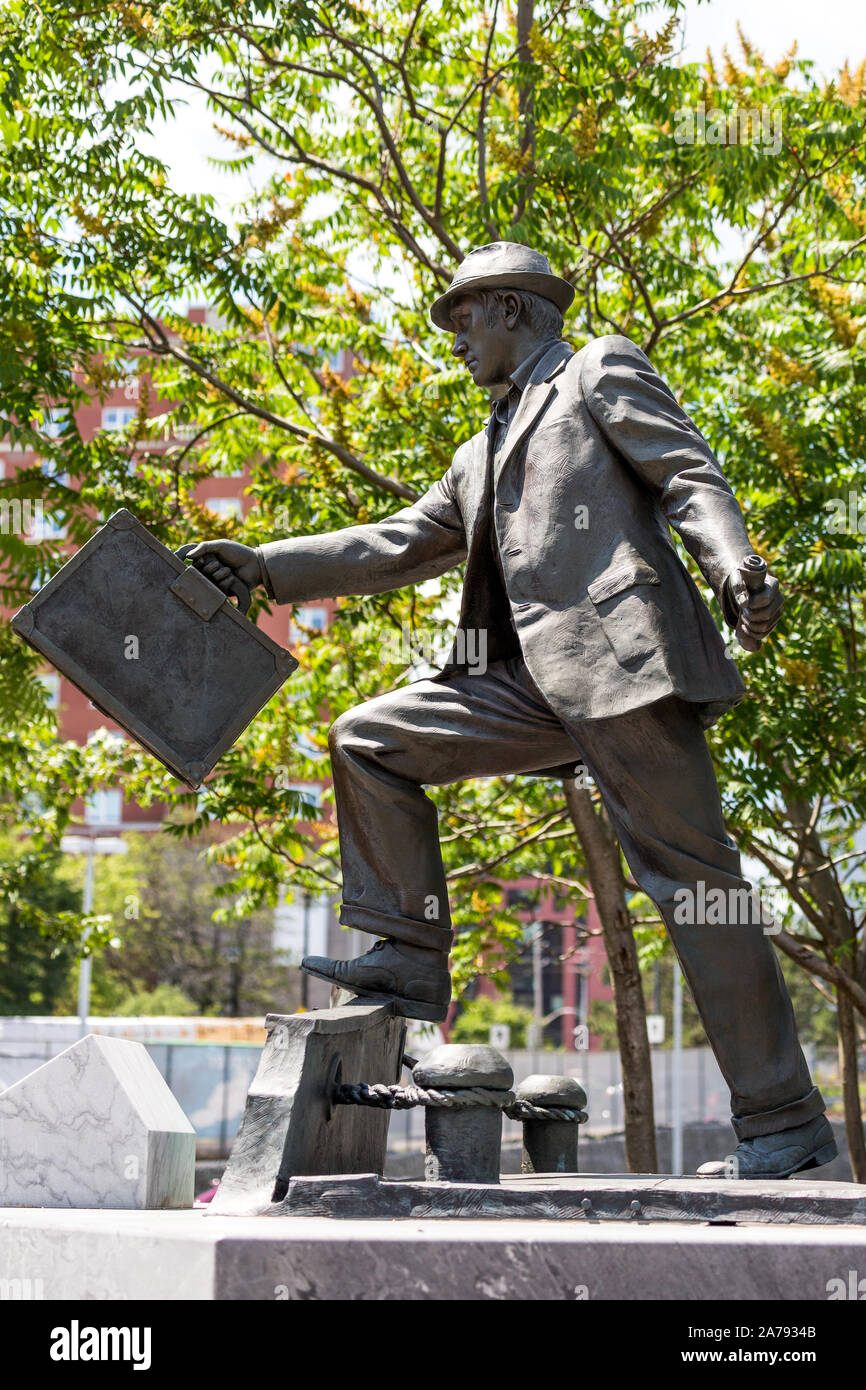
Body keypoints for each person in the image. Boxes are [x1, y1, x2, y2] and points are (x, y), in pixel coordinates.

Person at [188, 242, 835, 1178]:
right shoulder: (475, 451)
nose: (455, 341)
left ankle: (788, 1130)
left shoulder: (596, 369)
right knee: (369, 738)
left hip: (625, 664)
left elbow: (688, 471)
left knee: (698, 888)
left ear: (514, 310)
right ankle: (410, 949)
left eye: (464, 320)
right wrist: (267, 564)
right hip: (523, 680)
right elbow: (399, 543)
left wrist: (732, 567)